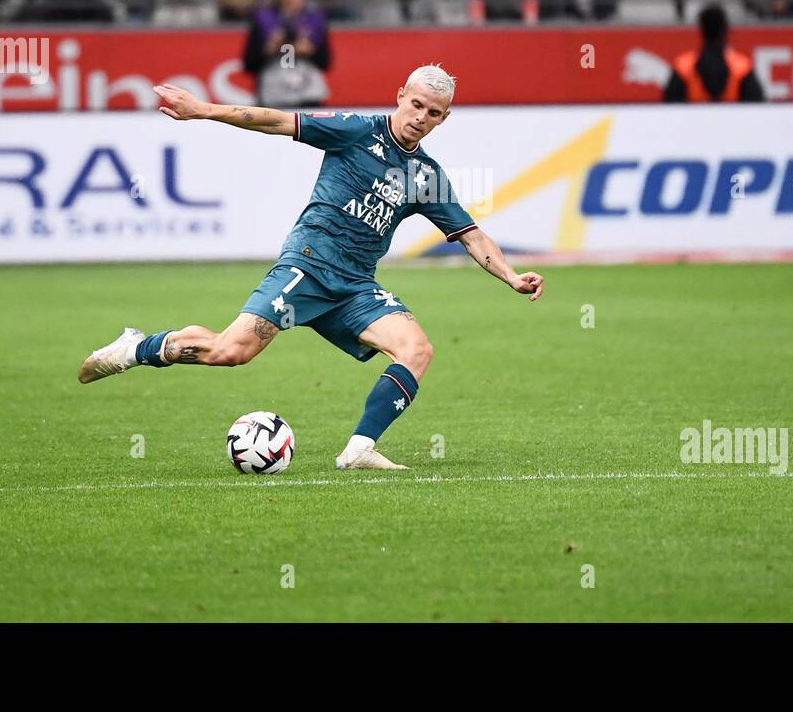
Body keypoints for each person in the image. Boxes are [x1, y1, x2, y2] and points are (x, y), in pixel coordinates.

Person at [78, 65, 545, 471]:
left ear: (445, 118)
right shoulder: (355, 130)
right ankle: (137, 348)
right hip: (308, 266)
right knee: (230, 352)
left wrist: (511, 276)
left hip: (356, 287)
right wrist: (203, 110)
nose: (421, 118)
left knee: (417, 350)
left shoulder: (425, 176)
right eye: (417, 105)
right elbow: (277, 120)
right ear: (400, 96)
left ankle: (359, 450)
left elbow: (471, 234)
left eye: (434, 113)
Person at [242, 0, 331, 106]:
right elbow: (248, 64)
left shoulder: (315, 20)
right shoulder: (263, 19)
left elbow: (326, 62)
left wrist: (309, 50)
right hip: (273, 96)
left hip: (308, 97)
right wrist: (267, 51)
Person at [665, 5, 764, 102]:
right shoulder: (741, 66)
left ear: (701, 31)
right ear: (725, 31)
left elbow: (670, 106)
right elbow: (757, 106)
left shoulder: (683, 66)